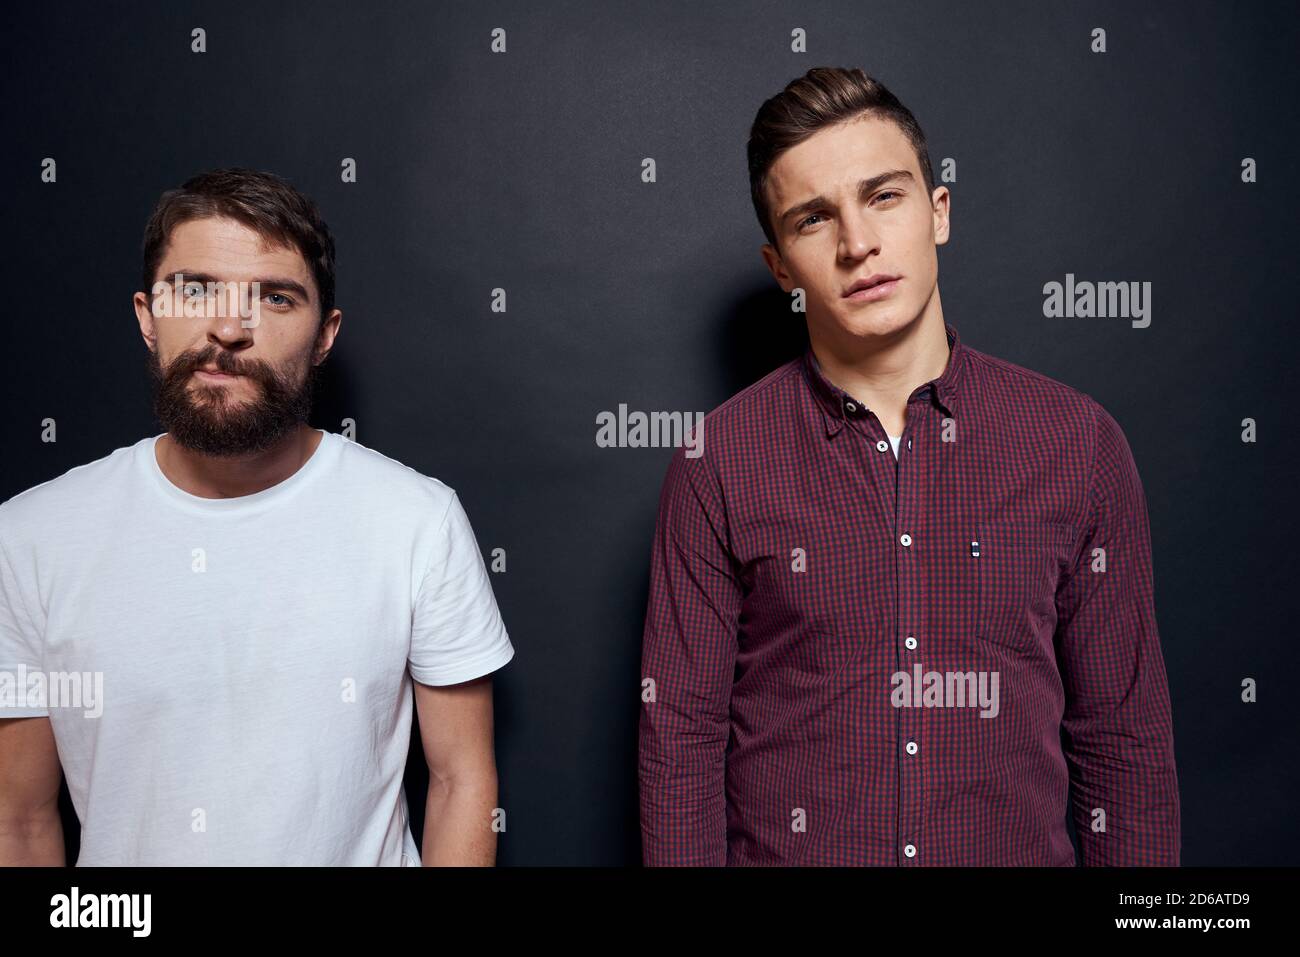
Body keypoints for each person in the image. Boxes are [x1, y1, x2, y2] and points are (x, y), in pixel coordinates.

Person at [638, 68, 1179, 865]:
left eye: (883, 196)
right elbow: (678, 743)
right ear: (780, 265)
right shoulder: (717, 462)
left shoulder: (1078, 443)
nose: (858, 245)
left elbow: (1123, 735)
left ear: (939, 212)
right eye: (814, 219)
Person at [0, 168, 513, 866]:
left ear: (325, 334)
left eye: (274, 297)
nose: (229, 327)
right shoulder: (30, 538)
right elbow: (20, 821)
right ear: (148, 315)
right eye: (196, 288)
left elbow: (460, 781)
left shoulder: (416, 521)